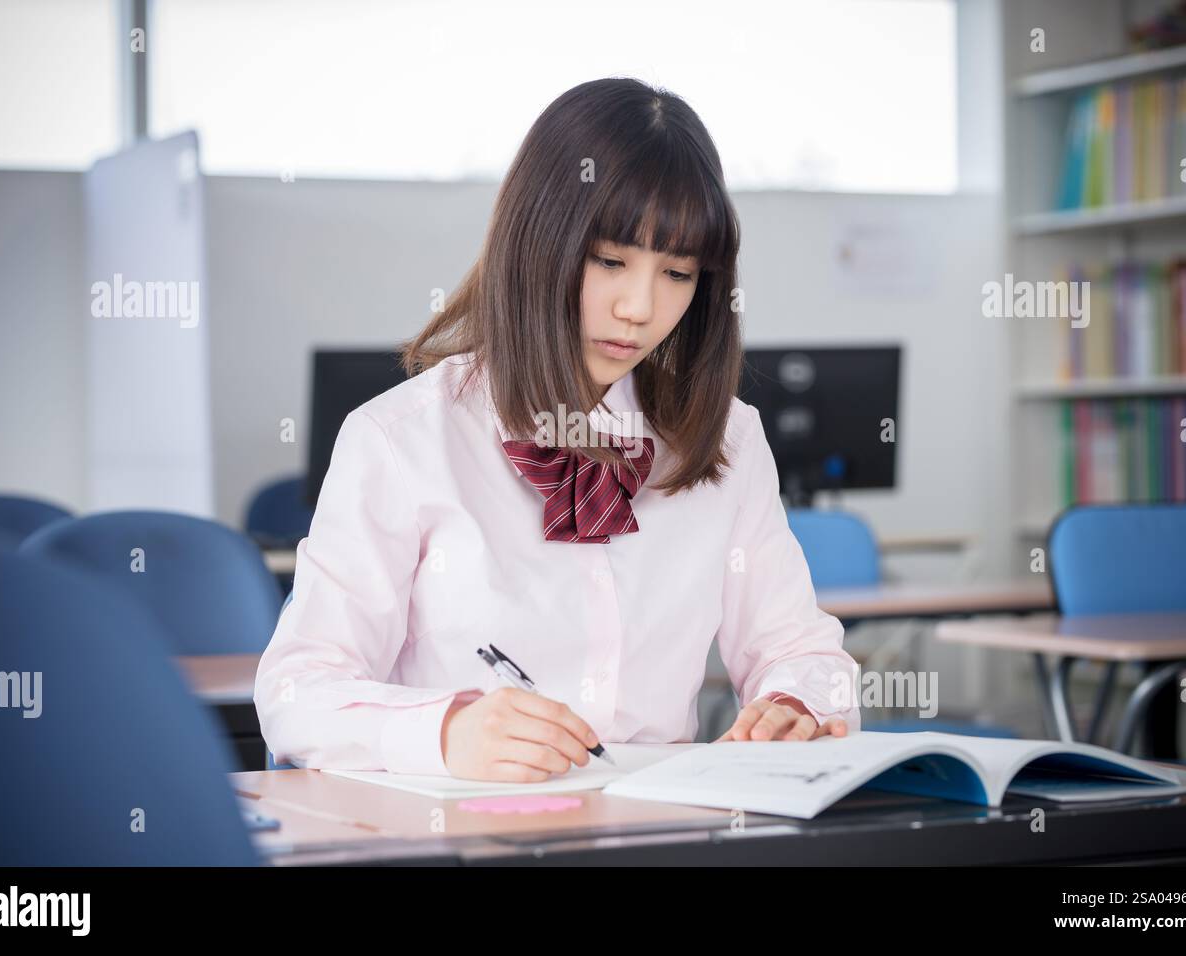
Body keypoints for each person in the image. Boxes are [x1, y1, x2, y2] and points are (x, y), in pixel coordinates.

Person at [254, 77, 859, 782]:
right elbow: (296, 691)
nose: (640, 307)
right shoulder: (400, 439)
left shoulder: (728, 441)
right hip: (460, 833)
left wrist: (795, 702)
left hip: (660, 833)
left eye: (678, 273)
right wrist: (445, 732)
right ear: (538, 240)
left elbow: (805, 650)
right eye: (611, 262)